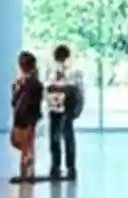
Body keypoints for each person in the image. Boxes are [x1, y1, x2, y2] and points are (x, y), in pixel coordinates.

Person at [45, 44, 85, 181]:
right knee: (54, 139)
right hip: (55, 108)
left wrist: (60, 87)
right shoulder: (51, 71)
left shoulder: (75, 72)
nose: (61, 63)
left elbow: (75, 89)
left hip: (67, 110)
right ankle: (56, 167)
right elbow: (48, 86)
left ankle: (70, 167)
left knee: (67, 138)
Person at [9, 51, 44, 183]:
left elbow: (31, 105)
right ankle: (27, 171)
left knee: (26, 146)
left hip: (27, 120)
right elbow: (15, 101)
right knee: (24, 145)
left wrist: (30, 122)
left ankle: (26, 173)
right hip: (21, 119)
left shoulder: (34, 84)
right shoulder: (20, 83)